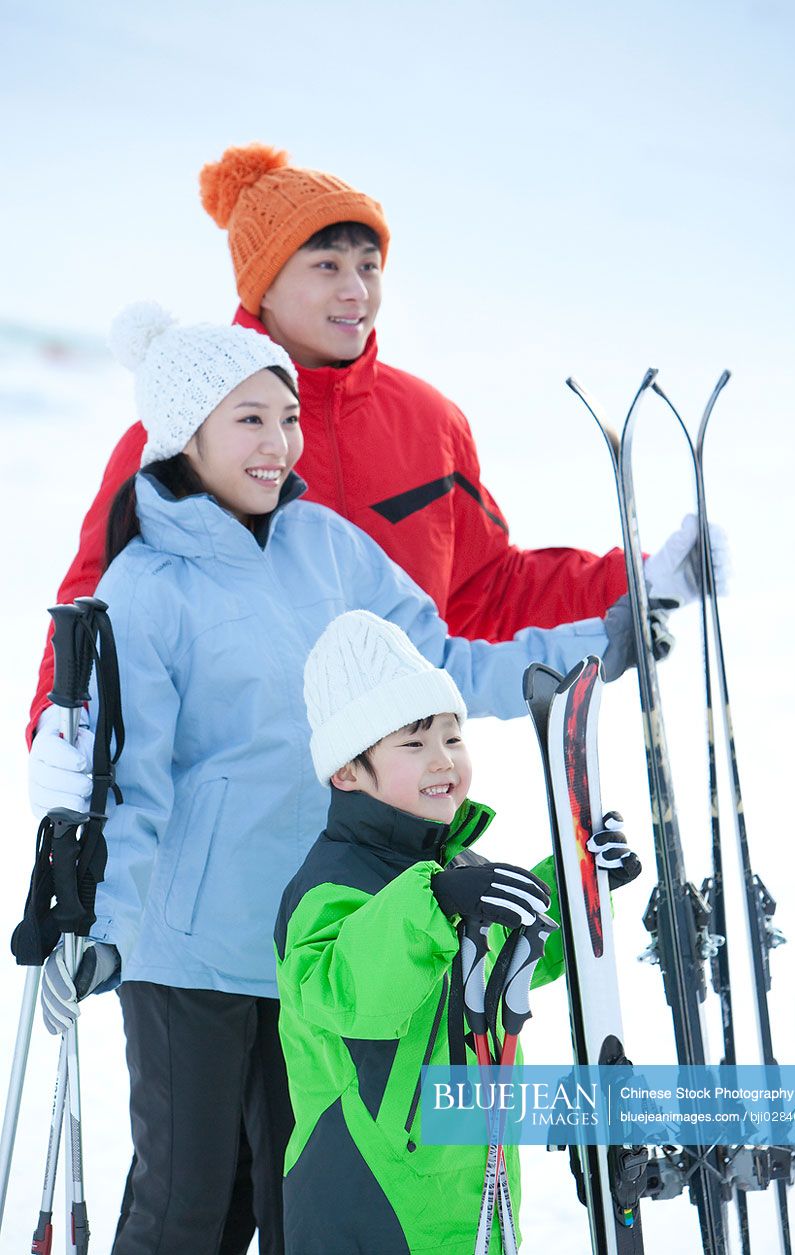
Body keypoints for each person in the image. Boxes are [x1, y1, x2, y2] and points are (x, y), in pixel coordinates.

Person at [31, 304, 655, 1255]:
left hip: (336, 928)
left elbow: (440, 662)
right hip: (195, 955)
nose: (280, 442)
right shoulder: (145, 586)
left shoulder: (327, 544)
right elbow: (136, 786)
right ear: (183, 433)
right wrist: (104, 929)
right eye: (250, 419)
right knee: (191, 1206)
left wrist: (592, 648)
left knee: (310, 1204)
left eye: (288, 417)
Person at [26, 142, 722, 747]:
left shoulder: (428, 419)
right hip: (227, 794)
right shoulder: (184, 428)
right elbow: (94, 601)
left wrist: (642, 577)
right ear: (264, 283)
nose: (356, 289)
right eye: (326, 266)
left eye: (370, 265)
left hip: (397, 791)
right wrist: (60, 739)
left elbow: (484, 589)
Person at [275, 609, 641, 1254]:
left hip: (471, 1177)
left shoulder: (454, 870)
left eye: (452, 737)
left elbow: (513, 960)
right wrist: (434, 902)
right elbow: (348, 995)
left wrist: (576, 884)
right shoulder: (329, 886)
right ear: (346, 772)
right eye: (413, 745)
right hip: (367, 1189)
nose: (443, 760)